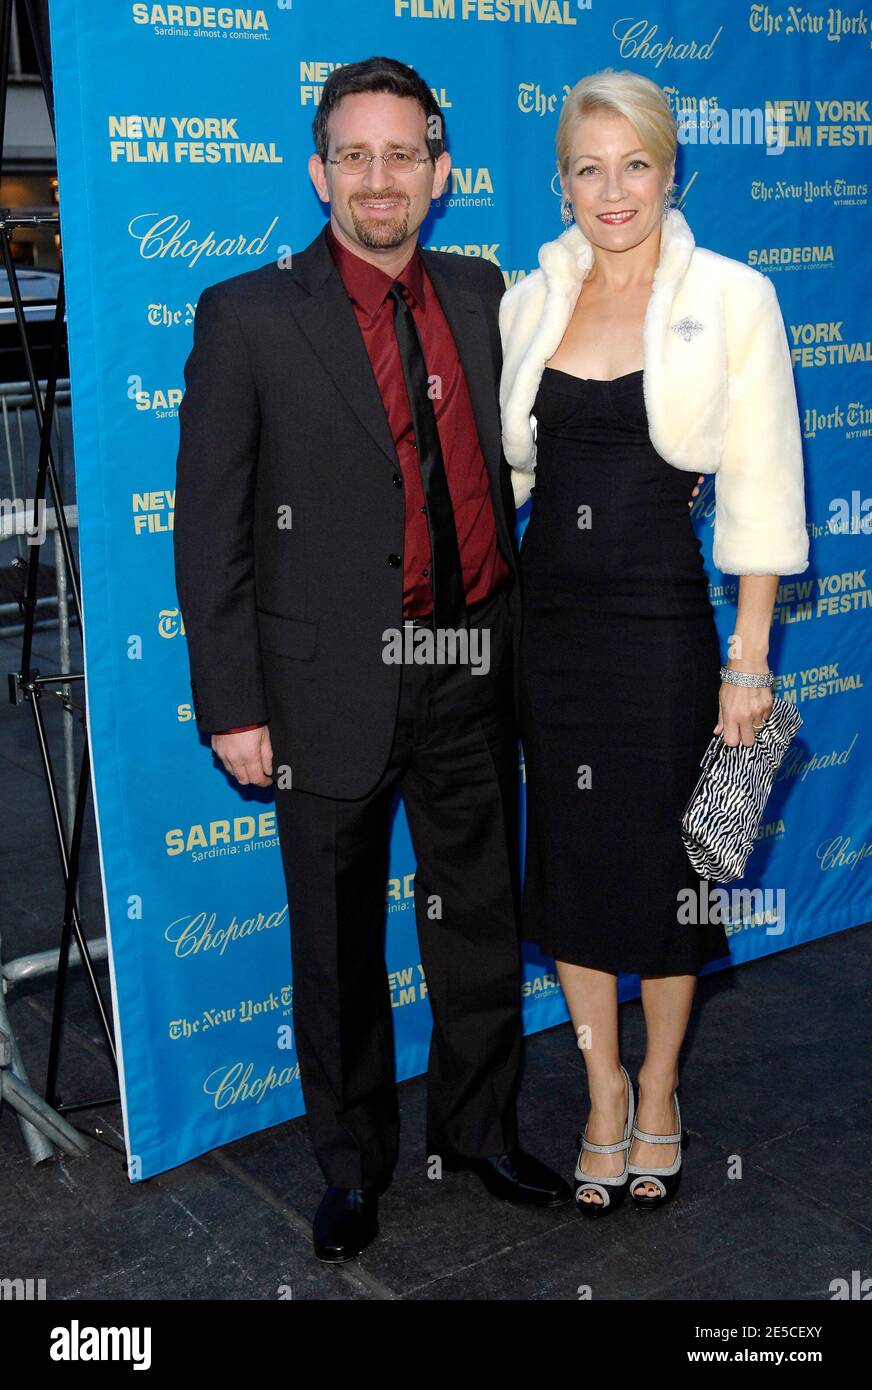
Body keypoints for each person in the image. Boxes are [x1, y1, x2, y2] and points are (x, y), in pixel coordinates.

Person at [173, 55, 571, 1264]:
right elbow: (211, 531)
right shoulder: (245, 316)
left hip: (470, 662)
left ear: (439, 171)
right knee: (335, 944)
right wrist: (233, 705)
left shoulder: (479, 290)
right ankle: (350, 1169)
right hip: (322, 686)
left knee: (475, 916)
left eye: (405, 153)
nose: (380, 176)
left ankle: (482, 1128)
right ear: (318, 170)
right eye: (356, 153)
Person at [499, 69, 808, 1216]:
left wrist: (749, 658)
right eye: (587, 167)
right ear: (561, 182)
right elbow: (502, 475)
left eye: (633, 163)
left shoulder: (732, 295)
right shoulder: (527, 306)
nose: (611, 188)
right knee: (573, 872)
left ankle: (663, 1089)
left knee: (677, 874)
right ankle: (599, 1089)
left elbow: (765, 481)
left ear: (671, 169)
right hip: (553, 632)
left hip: (665, 631)